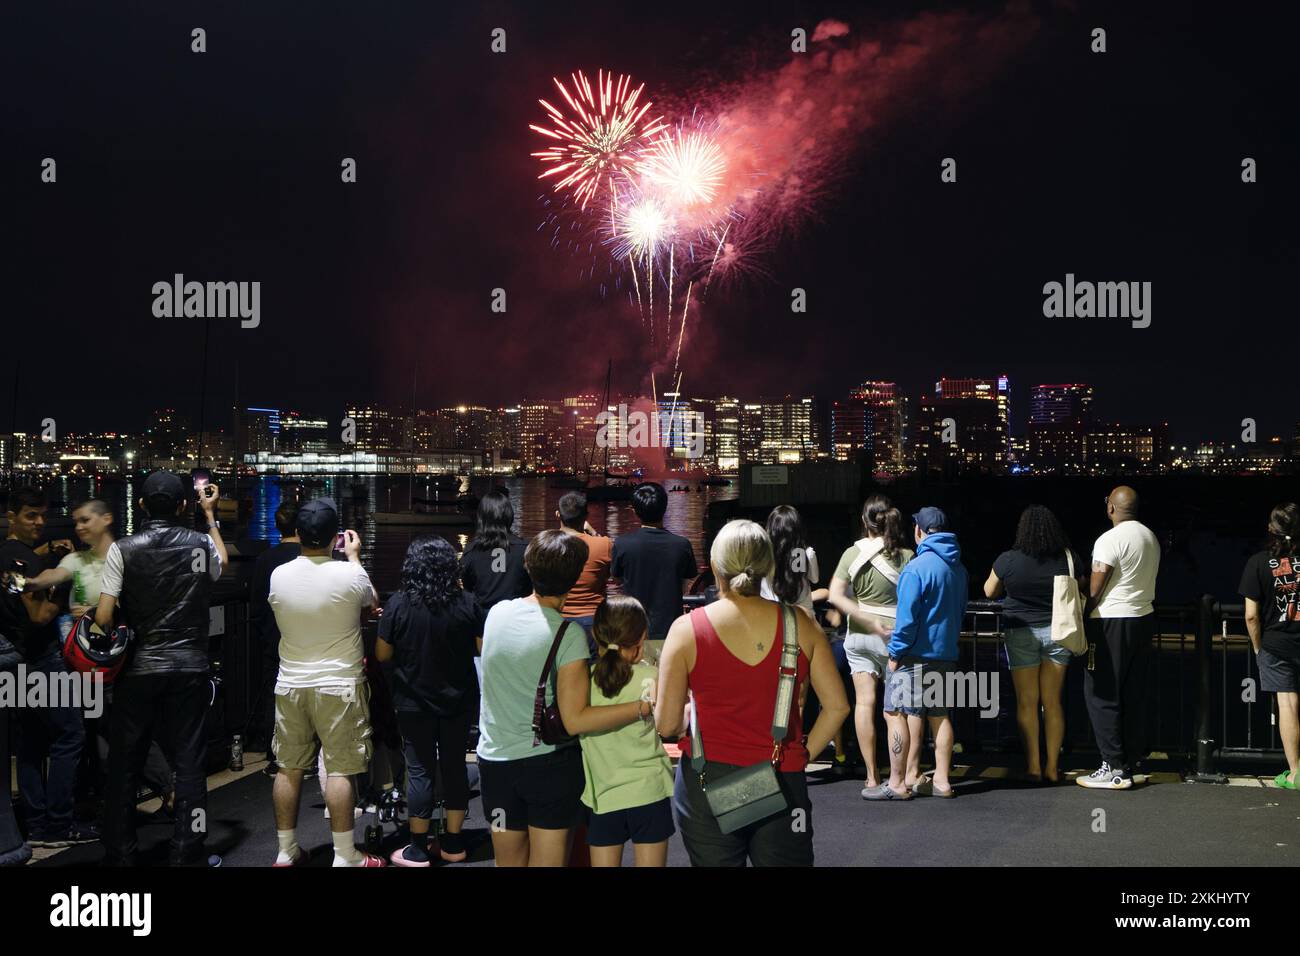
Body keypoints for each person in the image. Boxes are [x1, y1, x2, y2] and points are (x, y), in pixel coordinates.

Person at [657, 520, 849, 866]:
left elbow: (668, 725)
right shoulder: (801, 625)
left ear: (715, 566)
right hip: (783, 779)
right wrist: (801, 755)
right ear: (768, 566)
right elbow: (837, 707)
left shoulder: (686, 630)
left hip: (706, 782)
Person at [477, 530, 652, 867]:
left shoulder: (497, 614)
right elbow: (574, 720)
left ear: (529, 567)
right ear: (574, 578)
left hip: (495, 764)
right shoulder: (568, 634)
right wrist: (640, 708)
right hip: (548, 767)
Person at [95, 471, 226, 865]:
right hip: (189, 667)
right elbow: (222, 562)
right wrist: (211, 516)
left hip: (139, 668)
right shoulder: (199, 544)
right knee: (190, 763)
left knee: (125, 762)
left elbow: (103, 617)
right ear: (182, 506)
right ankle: (188, 848)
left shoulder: (123, 549)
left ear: (140, 506)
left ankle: (121, 852)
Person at [24, 499, 176, 817]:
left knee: (123, 729)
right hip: (85, 665)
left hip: (123, 661)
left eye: (85, 520)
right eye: (76, 521)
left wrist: (98, 612)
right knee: (101, 735)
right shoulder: (77, 560)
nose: (79, 527)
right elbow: (54, 574)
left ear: (106, 519)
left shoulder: (127, 555)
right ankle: (121, 801)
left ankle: (166, 788)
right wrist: (29, 582)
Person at [265, 498, 384, 867]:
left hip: (291, 683)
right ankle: (345, 854)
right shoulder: (350, 575)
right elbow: (373, 601)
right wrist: (354, 557)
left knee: (288, 767)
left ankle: (286, 851)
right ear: (336, 537)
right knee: (340, 768)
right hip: (340, 685)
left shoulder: (279, 576)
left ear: (297, 533)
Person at [375, 537, 487, 866]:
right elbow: (481, 647)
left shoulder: (398, 604)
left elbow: (382, 653)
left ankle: (418, 847)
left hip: (412, 701)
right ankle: (453, 844)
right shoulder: (467, 602)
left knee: (420, 770)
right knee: (453, 766)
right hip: (458, 698)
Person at [0, 487, 93, 848]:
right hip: (42, 660)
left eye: (42, 515)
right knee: (70, 736)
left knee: (31, 744)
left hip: (17, 662)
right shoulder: (24, 561)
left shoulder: (11, 554)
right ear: (12, 516)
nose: (39, 522)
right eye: (30, 516)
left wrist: (49, 553)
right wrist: (63, 587)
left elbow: (19, 565)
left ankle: (37, 825)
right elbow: (39, 615)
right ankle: (59, 824)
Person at [872, 506, 968, 801]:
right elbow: (961, 611)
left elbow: (908, 619)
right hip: (946, 653)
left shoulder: (915, 568)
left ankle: (898, 783)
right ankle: (942, 781)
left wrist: (894, 653)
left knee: (894, 713)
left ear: (919, 531)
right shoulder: (959, 569)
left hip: (914, 656)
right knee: (940, 716)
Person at [984, 505, 1085, 783]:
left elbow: (989, 591)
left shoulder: (1009, 560)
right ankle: (1053, 767)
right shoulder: (1068, 558)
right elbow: (1082, 586)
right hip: (1059, 632)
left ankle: (1034, 766)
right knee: (1052, 702)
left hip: (1021, 633)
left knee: (1027, 703)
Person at [827, 496, 918, 792]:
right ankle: (898, 778)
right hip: (895, 638)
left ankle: (870, 776)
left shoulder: (852, 553)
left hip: (860, 637)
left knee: (864, 703)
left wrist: (864, 617)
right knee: (896, 712)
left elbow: (835, 595)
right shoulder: (907, 556)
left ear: (864, 522)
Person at [580, 595, 674, 867]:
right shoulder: (653, 678)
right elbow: (671, 725)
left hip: (603, 796)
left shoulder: (583, 681)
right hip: (649, 790)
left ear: (596, 634)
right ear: (642, 637)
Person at [1079, 486, 1160, 790]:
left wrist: (1083, 614)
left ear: (1111, 508)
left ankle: (1112, 768)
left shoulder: (1109, 540)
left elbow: (1096, 589)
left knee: (1101, 692)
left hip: (1111, 621)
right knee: (1132, 692)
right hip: (1143, 618)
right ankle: (1131, 762)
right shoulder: (1150, 537)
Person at [1239, 503, 1300, 791]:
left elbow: (1251, 615)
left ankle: (1295, 772)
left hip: (1277, 644)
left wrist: (1258, 648)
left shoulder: (1258, 563)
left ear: (1270, 530)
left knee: (1287, 704)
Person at [610, 482, 697, 664]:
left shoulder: (623, 544)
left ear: (635, 511)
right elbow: (687, 580)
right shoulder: (681, 545)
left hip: (634, 630)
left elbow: (616, 578)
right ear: (665, 508)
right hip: (671, 630)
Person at [247, 499, 301, 762]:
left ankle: (274, 752)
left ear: (278, 527)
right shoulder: (308, 557)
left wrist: (266, 634)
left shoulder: (265, 559)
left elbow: (256, 605)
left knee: (274, 696)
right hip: (304, 638)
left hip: (274, 638)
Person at [460, 488, 531, 611]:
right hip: (516, 616)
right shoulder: (525, 549)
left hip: (483, 619)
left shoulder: (471, 551)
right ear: (509, 515)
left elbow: (467, 587)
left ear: (481, 517)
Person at [556, 491, 612, 644]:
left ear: (557, 515)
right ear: (586, 516)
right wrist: (593, 533)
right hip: (594, 620)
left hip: (557, 619)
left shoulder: (546, 545)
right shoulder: (603, 544)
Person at [761, 505, 825, 616]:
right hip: (803, 616)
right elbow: (814, 579)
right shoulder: (807, 553)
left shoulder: (763, 555)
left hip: (772, 616)